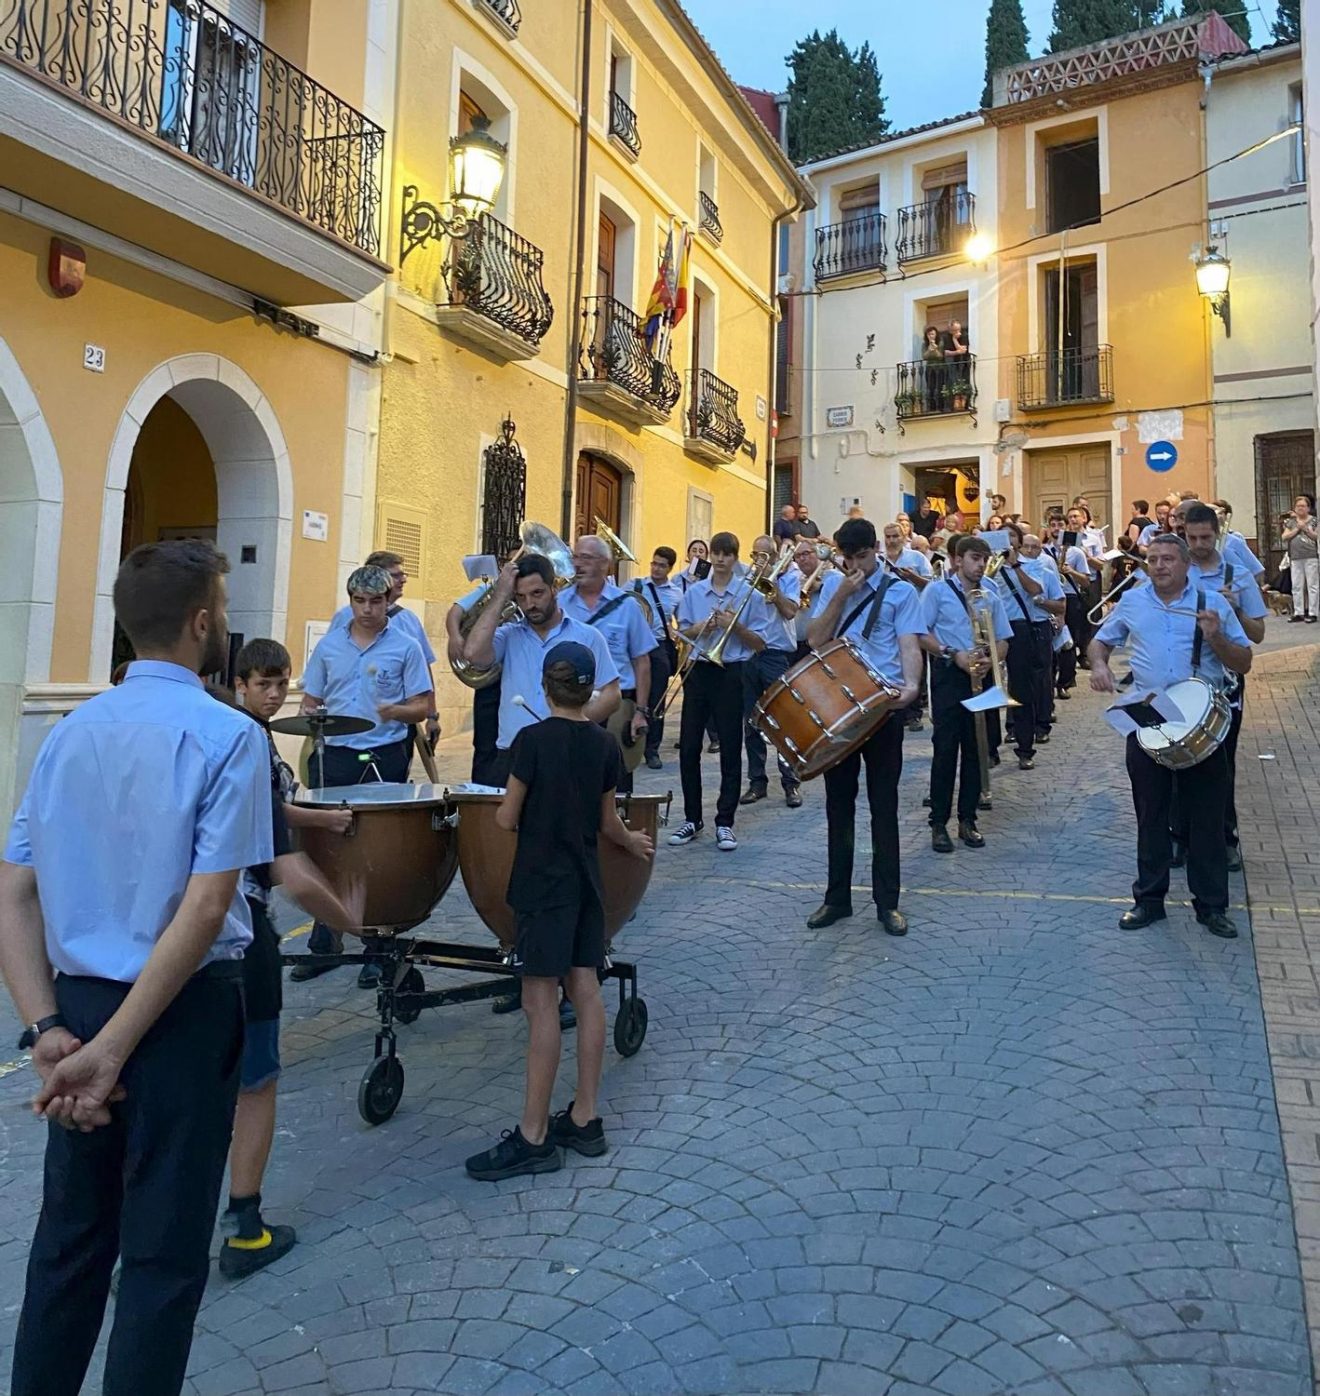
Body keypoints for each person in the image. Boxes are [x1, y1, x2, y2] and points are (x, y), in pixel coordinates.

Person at [0, 540, 272, 1396]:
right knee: (160, 1260)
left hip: (78, 1007)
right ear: (202, 624)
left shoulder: (68, 734)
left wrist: (48, 1030)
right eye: (222, 615)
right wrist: (110, 1049)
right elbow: (203, 908)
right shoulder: (230, 735)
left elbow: (13, 894)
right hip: (180, 1012)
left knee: (68, 1246)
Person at [465, 643, 653, 1181]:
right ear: (591, 692)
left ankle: (533, 1136)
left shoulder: (529, 741)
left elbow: (505, 817)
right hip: (585, 884)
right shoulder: (603, 747)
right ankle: (585, 1117)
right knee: (587, 989)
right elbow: (608, 822)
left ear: (545, 688)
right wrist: (633, 843)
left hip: (543, 887)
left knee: (539, 1002)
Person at [222, 639, 363, 1278]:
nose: (275, 694)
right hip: (239, 931)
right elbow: (288, 869)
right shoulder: (244, 744)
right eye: (264, 683)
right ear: (236, 682)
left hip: (167, 941)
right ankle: (245, 1228)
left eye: (283, 683)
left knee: (188, 1090)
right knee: (255, 1083)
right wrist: (352, 919)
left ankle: (153, 1231)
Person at [1089, 534, 1252, 939]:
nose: (1159, 565)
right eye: (1152, 559)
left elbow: (1245, 661)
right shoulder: (1133, 601)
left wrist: (1215, 636)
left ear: (1184, 566)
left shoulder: (1211, 603)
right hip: (1148, 718)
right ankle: (1149, 900)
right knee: (1151, 814)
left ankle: (1211, 906)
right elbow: (1099, 641)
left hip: (1201, 721)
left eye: (1167, 559)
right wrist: (1098, 665)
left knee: (1206, 820)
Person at [292, 564, 433, 985]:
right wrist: (311, 715)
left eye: (376, 602)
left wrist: (395, 711)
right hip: (334, 752)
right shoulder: (330, 646)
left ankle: (378, 947)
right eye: (360, 601)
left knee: (374, 849)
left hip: (384, 752)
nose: (367, 610)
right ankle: (325, 942)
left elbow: (423, 706)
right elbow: (311, 700)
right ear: (350, 601)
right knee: (326, 844)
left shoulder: (405, 647)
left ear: (388, 602)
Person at [805, 518, 925, 936]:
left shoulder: (901, 591)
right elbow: (815, 640)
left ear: (876, 549)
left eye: (863, 556)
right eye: (848, 558)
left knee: (884, 808)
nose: (857, 564)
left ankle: (887, 903)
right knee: (838, 807)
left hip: (882, 708)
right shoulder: (834, 588)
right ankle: (837, 898)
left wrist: (911, 687)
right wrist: (841, 593)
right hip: (840, 710)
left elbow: (909, 644)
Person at [463, 554, 621, 788]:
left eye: (537, 593)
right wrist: (500, 595)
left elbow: (612, 693)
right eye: (521, 597)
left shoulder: (588, 636)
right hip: (513, 754)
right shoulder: (508, 635)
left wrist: (573, 724)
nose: (529, 604)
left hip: (568, 753)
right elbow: (473, 654)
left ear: (554, 588)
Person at [1171, 503, 1266, 875]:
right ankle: (1179, 837)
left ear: (1218, 532)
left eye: (1205, 538)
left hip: (1223, 681)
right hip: (1180, 679)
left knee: (1221, 763)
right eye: (1191, 538)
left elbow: (1257, 634)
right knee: (1175, 759)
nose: (1197, 545)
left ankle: (1226, 840)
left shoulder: (1236, 573)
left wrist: (1234, 610)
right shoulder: (1175, 570)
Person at [669, 532, 763, 851]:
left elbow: (760, 643)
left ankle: (725, 821)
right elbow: (681, 631)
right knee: (689, 747)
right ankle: (692, 818)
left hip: (731, 671)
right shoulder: (695, 593)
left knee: (730, 746)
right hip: (698, 669)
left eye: (727, 554)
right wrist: (703, 627)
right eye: (717, 553)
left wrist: (732, 626)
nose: (721, 559)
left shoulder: (749, 594)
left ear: (736, 558)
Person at [919, 536, 1011, 852]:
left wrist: (992, 659)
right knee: (945, 751)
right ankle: (938, 823)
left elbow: (1004, 640)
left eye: (984, 558)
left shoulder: (991, 595)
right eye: (974, 557)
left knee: (977, 749)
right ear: (958, 560)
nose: (981, 564)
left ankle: (968, 819)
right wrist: (951, 653)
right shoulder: (936, 591)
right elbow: (920, 633)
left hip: (981, 677)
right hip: (949, 674)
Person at [560, 535, 655, 795]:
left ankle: (615, 835)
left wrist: (640, 712)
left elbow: (642, 661)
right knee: (573, 781)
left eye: (586, 558)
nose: (578, 564)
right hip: (571, 703)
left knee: (616, 784)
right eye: (575, 557)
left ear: (604, 564)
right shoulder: (559, 604)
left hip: (617, 707)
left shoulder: (627, 606)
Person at [329, 550, 441, 752]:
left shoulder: (409, 619)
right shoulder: (345, 617)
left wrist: (432, 716)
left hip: (397, 728)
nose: (403, 580)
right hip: (348, 728)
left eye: (402, 575)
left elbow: (424, 671)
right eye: (395, 575)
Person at [990, 521, 1065, 769]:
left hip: (1022, 629)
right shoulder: (989, 565)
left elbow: (1035, 590)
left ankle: (1025, 747)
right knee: (990, 691)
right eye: (1003, 535)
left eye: (1011, 535)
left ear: (1019, 542)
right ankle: (990, 747)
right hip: (993, 629)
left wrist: (1014, 565)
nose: (1007, 539)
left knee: (1023, 688)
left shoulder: (1036, 565)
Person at [739, 536, 803, 810]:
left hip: (776, 656)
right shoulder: (743, 582)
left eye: (764, 556)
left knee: (782, 720)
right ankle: (757, 782)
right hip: (749, 655)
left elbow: (789, 612)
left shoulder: (789, 578)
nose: (758, 561)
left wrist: (771, 583)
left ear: (775, 558)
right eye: (755, 555)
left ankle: (791, 783)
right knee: (751, 721)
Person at [445, 579, 504, 787]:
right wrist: (454, 636)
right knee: (485, 745)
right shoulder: (492, 588)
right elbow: (456, 610)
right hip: (491, 678)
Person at [632, 547, 683, 769]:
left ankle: (652, 749)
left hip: (658, 645)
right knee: (630, 694)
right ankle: (628, 743)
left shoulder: (676, 593)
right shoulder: (635, 586)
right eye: (654, 563)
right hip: (633, 645)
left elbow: (683, 623)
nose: (656, 568)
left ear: (670, 568)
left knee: (657, 699)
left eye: (661, 565)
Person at [1282, 494, 1319, 622]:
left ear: (1308, 508)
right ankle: (1299, 612)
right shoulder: (1291, 522)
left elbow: (1316, 536)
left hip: (1310, 556)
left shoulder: (1314, 520)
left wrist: (1306, 529)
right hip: (1295, 557)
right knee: (1297, 585)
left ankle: (1313, 612)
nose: (1300, 508)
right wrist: (1297, 528)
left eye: (1303, 506)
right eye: (1298, 506)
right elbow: (1284, 537)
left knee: (1312, 585)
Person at [921, 325, 946, 413]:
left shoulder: (940, 343)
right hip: (929, 369)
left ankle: (940, 407)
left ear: (936, 334)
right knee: (930, 387)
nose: (931, 336)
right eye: (929, 334)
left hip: (939, 368)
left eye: (932, 334)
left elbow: (940, 356)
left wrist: (935, 349)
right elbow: (924, 357)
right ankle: (932, 407)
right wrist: (929, 349)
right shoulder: (924, 345)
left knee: (939, 387)